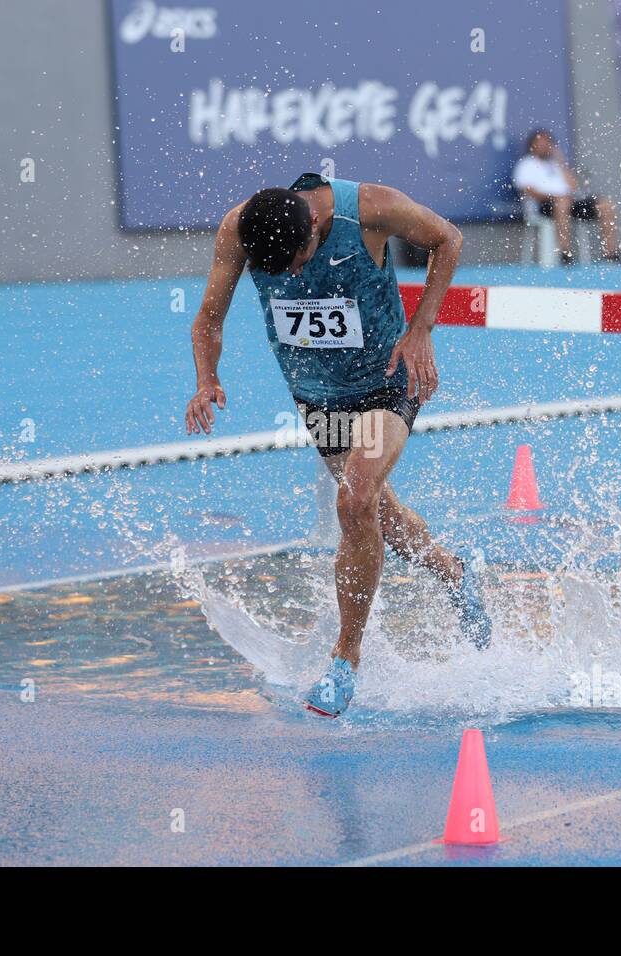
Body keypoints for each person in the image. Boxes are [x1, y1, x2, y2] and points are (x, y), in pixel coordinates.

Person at [184, 173, 493, 717]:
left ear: (316, 227)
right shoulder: (240, 228)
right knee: (378, 517)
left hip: (385, 381)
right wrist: (206, 379)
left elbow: (449, 239)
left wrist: (422, 328)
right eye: (281, 273)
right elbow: (209, 317)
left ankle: (345, 660)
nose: (297, 275)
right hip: (315, 396)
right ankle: (454, 573)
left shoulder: (372, 208)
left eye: (301, 261)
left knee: (353, 501)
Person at [512, 129, 621, 265]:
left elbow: (574, 186)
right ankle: (565, 254)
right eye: (539, 143)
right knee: (562, 203)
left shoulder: (556, 164)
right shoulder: (526, 164)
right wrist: (556, 197)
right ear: (532, 146)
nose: (543, 146)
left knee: (606, 205)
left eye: (547, 143)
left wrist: (560, 161)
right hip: (544, 205)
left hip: (569, 201)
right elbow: (529, 191)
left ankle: (610, 253)